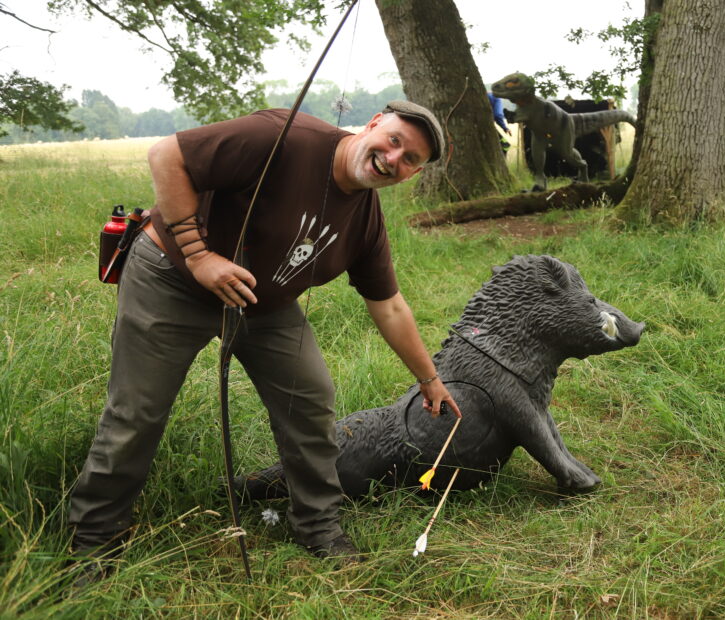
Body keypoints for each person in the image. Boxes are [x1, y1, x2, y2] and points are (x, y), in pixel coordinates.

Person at [68, 100, 463, 577]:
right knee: (138, 410)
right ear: (374, 124)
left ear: (413, 174)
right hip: (171, 278)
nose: (393, 158)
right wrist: (198, 255)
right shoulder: (284, 136)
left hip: (260, 304)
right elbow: (166, 154)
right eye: (394, 140)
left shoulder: (365, 217)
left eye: (411, 159)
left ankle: (317, 524)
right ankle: (95, 539)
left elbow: (390, 305)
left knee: (311, 400)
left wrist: (429, 380)